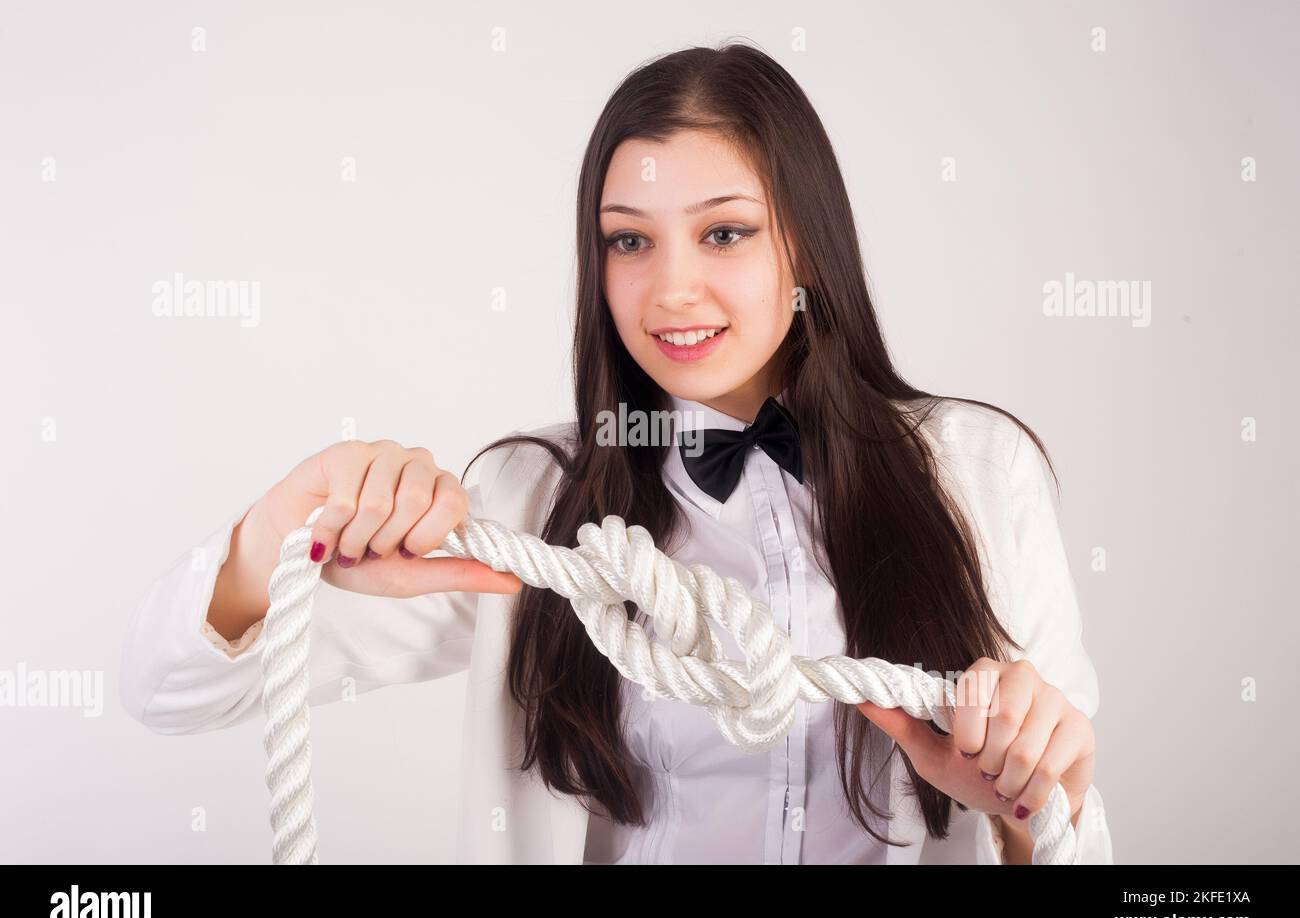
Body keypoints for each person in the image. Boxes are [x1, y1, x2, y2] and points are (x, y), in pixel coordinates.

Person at [120, 41, 1113, 865]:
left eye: (724, 233)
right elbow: (166, 692)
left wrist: (1026, 803)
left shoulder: (980, 475)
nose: (670, 290)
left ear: (806, 250)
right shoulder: (526, 505)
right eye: (629, 242)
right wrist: (280, 527)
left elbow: (1076, 840)